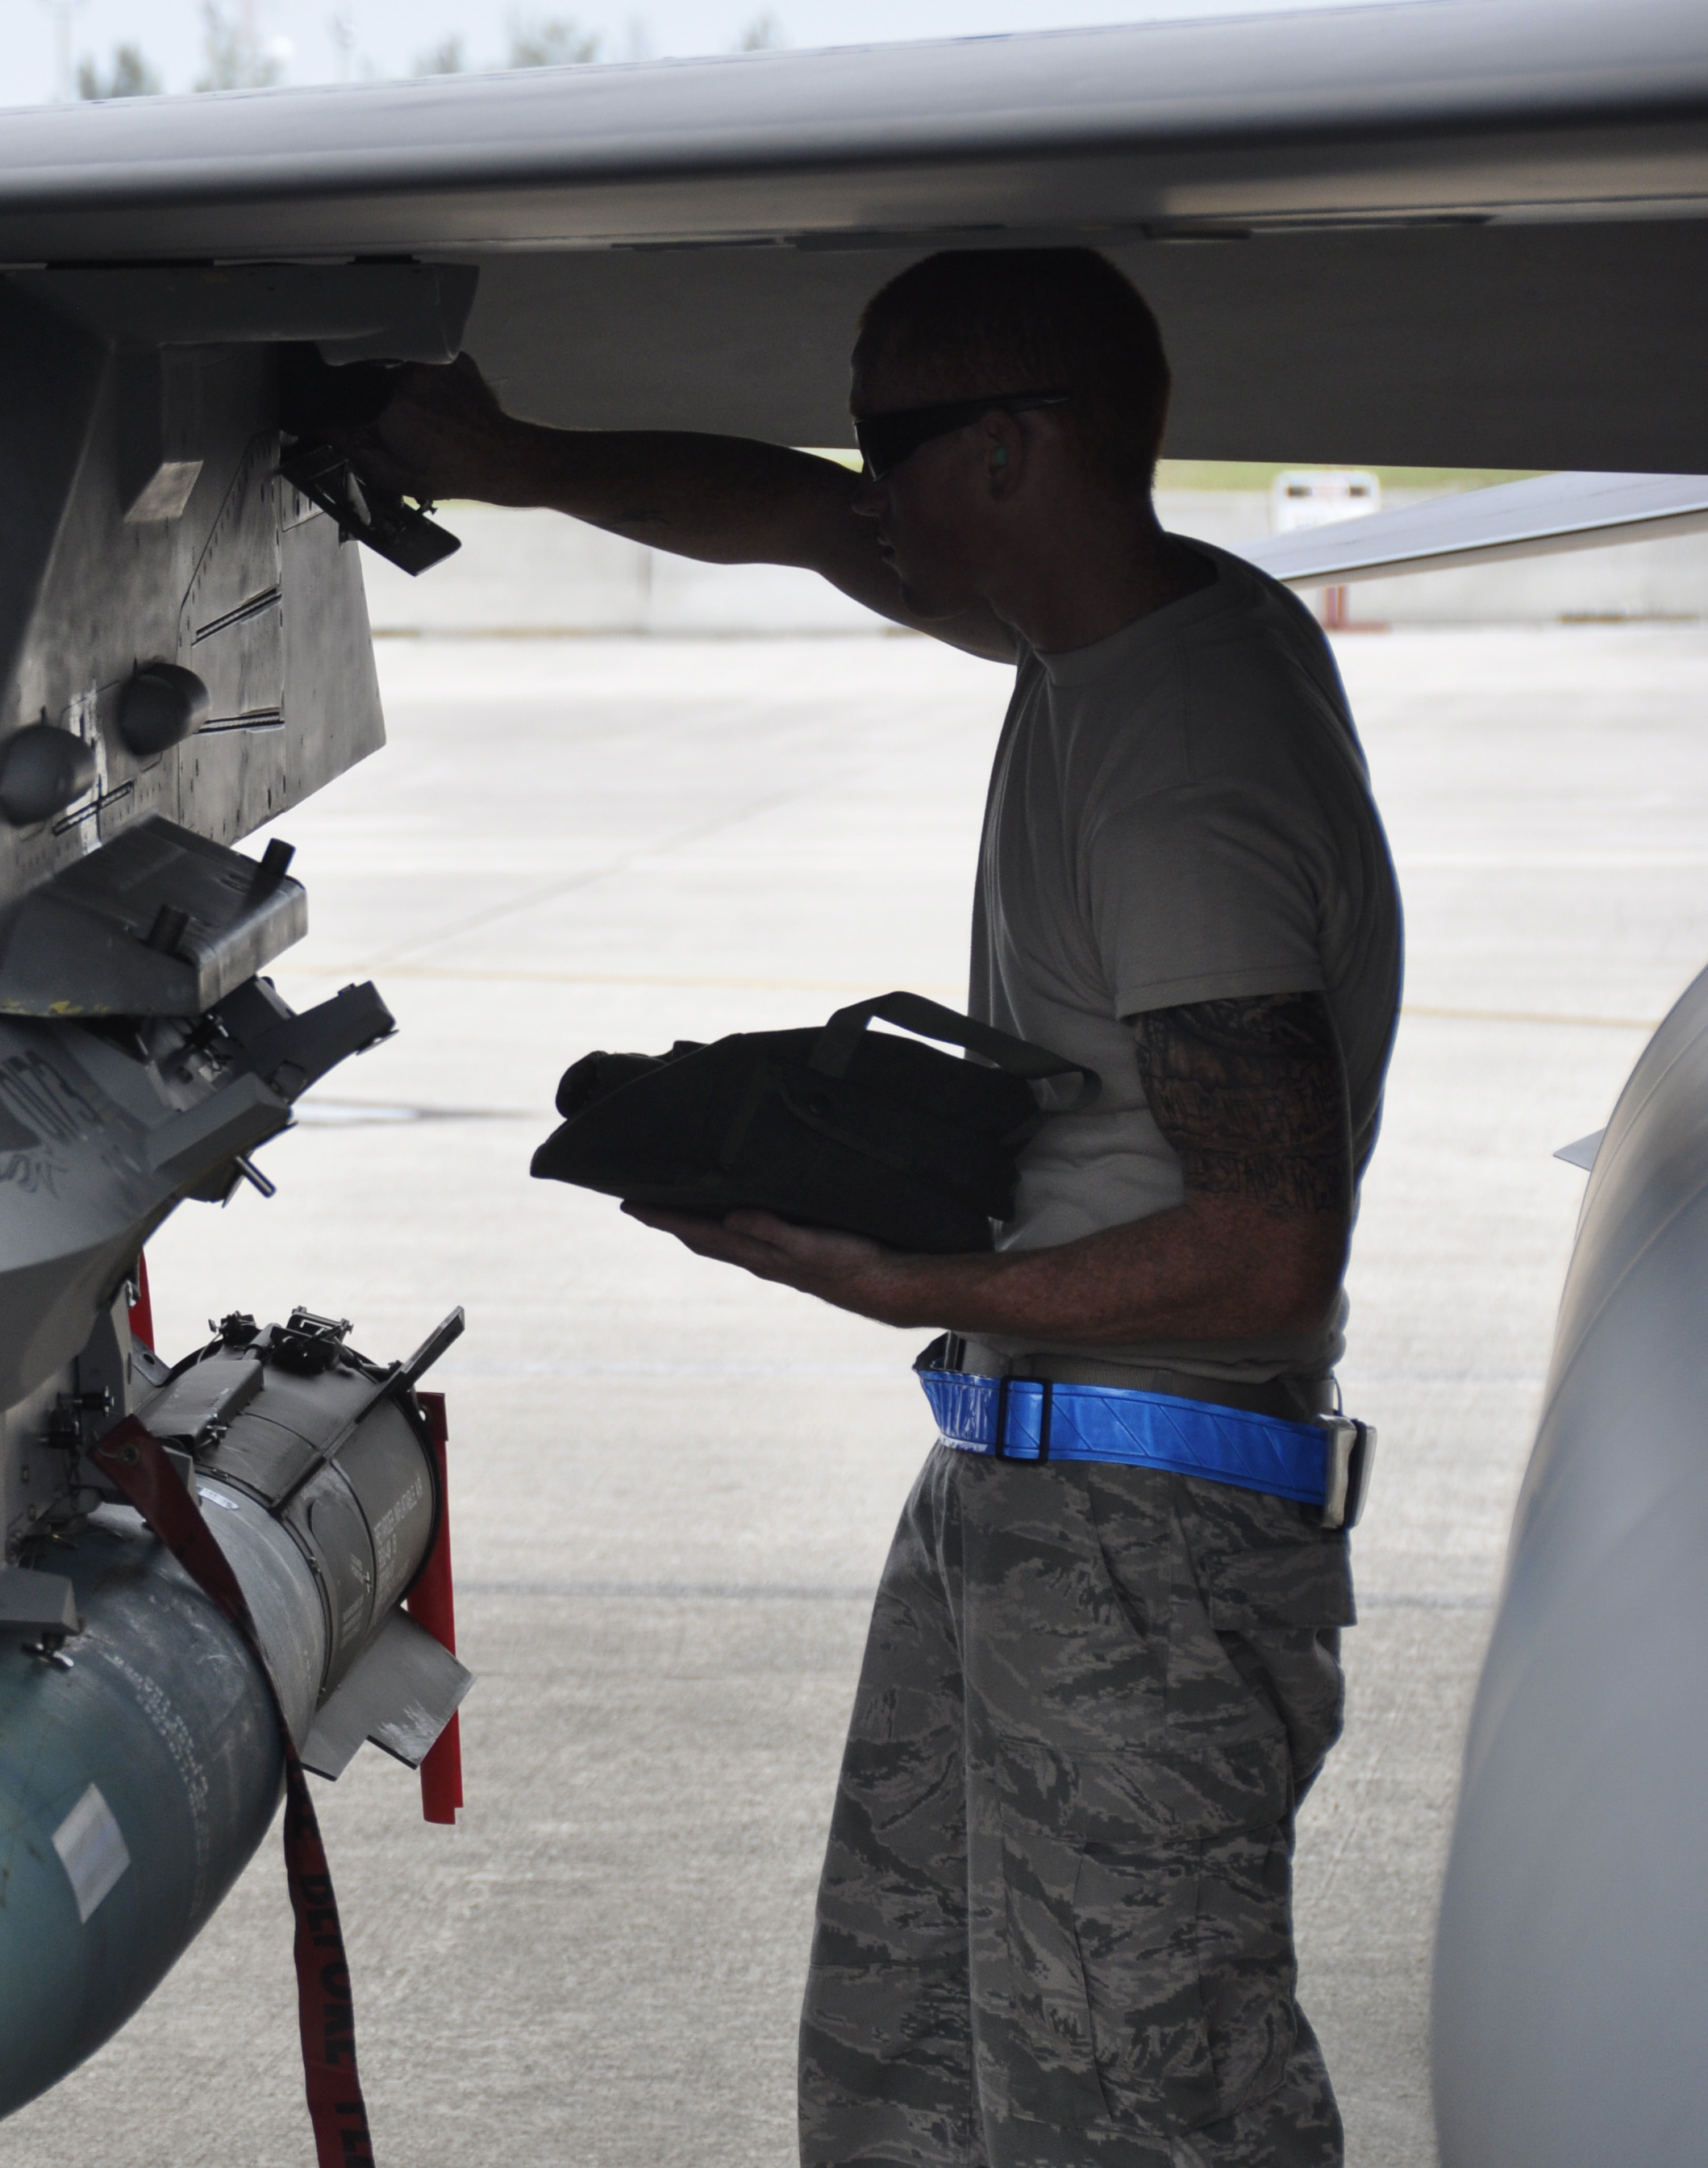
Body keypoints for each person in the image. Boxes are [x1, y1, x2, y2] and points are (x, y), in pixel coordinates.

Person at [341, 248, 1400, 2168]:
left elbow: (1266, 1238)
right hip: (1031, 1492)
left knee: (1142, 2112)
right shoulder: (1111, 632)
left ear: (1010, 452)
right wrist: (505, 458)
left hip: (1145, 1546)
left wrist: (879, 1272)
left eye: (893, 446)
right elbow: (803, 522)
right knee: (917, 2073)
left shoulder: (1182, 768)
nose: (869, 492)